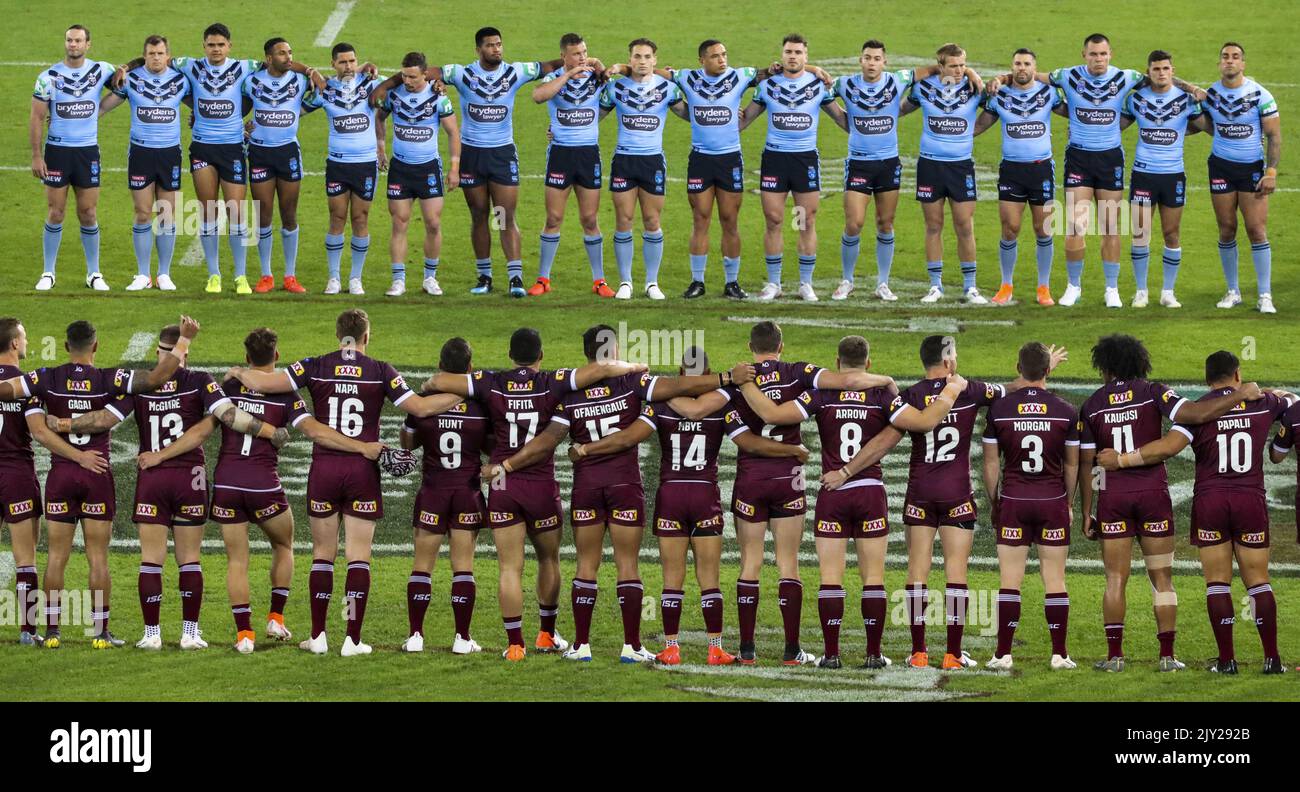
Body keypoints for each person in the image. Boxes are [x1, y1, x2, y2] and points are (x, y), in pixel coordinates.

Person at [225, 309, 465, 656]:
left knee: (322, 555)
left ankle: (319, 636)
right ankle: (352, 638)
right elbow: (421, 408)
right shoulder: (381, 370)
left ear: (339, 335)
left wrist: (239, 372)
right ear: (367, 336)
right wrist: (465, 392)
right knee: (358, 557)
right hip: (362, 473)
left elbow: (262, 383)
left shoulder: (316, 365)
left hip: (324, 470)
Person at [134, 327, 381, 653]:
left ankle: (244, 635)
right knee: (284, 543)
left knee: (238, 560)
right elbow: (307, 428)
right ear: (276, 357)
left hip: (226, 484)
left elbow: (204, 430)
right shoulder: (285, 393)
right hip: (265, 486)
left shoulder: (227, 387)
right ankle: (276, 617)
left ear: (246, 357)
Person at [49, 325, 287, 651]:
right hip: (190, 477)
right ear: (183, 353)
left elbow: (103, 420)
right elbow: (230, 416)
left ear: (158, 353)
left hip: (152, 477)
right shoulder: (200, 380)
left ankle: (152, 634)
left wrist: (64, 424)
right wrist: (271, 431)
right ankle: (190, 633)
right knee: (189, 559)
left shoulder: (143, 384)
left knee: (151, 560)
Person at [419, 328, 647, 661]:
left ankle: (514, 645)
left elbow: (441, 381)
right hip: (540, 482)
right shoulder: (552, 382)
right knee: (548, 560)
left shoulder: (491, 382)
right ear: (541, 356)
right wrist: (634, 366)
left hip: (501, 482)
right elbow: (600, 369)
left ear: (510, 355)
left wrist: (429, 385)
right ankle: (546, 633)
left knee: (509, 568)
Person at [744, 336, 967, 669]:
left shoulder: (820, 395)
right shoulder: (883, 396)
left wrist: (745, 384)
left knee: (830, 578)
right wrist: (950, 390)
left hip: (832, 493)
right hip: (869, 491)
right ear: (870, 362)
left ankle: (831, 655)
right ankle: (873, 654)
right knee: (873, 578)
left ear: (836, 362)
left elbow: (774, 414)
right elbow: (923, 423)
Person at [0, 316, 200, 648]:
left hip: (61, 475)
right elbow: (155, 379)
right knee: (98, 557)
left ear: (66, 346)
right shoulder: (111, 379)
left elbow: (7, 391)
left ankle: (51, 633)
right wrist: (184, 342)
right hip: (96, 474)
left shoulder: (45, 378)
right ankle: (101, 633)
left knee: (55, 558)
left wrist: (60, 423)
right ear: (96, 346)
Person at [1100, 351, 1292, 674]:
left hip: (1212, 501)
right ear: (1238, 374)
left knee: (1217, 583)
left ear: (1207, 379)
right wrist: (1281, 443)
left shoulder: (1199, 410)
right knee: (1258, 580)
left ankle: (1227, 661)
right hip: (1250, 500)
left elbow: (1166, 448)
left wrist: (1120, 460)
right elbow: (1294, 404)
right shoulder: (1265, 402)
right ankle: (1272, 659)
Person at [0, 317, 107, 645]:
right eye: (26, 337)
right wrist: (78, 456)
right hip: (16, 473)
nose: (28, 343)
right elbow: (39, 432)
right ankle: (29, 632)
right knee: (25, 559)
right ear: (15, 344)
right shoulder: (26, 383)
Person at [981, 342, 1080, 671]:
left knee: (1010, 580)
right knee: (1055, 579)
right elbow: (1071, 466)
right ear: (1049, 370)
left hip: (1014, 501)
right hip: (1051, 501)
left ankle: (1003, 654)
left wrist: (995, 501)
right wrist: (1068, 502)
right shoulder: (1066, 411)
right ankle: (1060, 654)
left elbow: (991, 464)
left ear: (1016, 367)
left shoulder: (1000, 409)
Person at [740, 34, 846, 302]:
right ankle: (774, 283)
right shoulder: (768, 86)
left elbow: (842, 119)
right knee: (774, 220)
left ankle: (805, 283)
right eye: (788, 51)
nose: (792, 56)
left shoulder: (818, 85)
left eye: (798, 52)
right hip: (775, 161)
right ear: (782, 54)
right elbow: (744, 121)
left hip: (804, 162)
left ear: (806, 57)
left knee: (804, 221)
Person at [31, 24, 118, 292]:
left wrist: (98, 111)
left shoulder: (101, 70)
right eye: (69, 40)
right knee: (55, 213)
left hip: (87, 150)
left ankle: (94, 273)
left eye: (78, 40)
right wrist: (36, 156)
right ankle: (48, 272)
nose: (73, 45)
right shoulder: (48, 77)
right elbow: (36, 117)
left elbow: (125, 85)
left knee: (88, 212)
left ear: (88, 44)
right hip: (57, 152)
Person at [526, 33, 611, 297]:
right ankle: (543, 279)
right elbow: (538, 96)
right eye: (576, 54)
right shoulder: (554, 79)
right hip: (560, 155)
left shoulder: (596, 77)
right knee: (553, 218)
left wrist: (597, 66)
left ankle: (599, 281)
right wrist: (567, 75)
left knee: (589, 219)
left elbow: (612, 95)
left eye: (585, 52)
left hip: (588, 155)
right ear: (564, 55)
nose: (582, 57)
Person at [102, 35, 188, 292]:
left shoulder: (181, 80)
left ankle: (164, 274)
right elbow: (103, 107)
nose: (156, 58)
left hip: (170, 153)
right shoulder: (132, 79)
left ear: (167, 55)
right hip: (141, 153)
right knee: (142, 213)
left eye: (160, 53)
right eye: (151, 53)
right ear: (145, 55)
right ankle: (142, 274)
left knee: (167, 214)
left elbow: (203, 104)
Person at [974, 48, 1060, 306]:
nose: (1022, 68)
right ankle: (1006, 285)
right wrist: (954, 138)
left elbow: (1074, 112)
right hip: (1012, 170)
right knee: (1010, 229)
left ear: (1035, 67)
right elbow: (980, 124)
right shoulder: (1000, 96)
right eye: (1017, 64)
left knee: (1042, 229)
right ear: (1012, 67)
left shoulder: (1050, 93)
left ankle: (1043, 287)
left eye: (1026, 64)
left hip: (1041, 168)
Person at [602, 39, 686, 300]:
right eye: (637, 56)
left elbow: (688, 114)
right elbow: (594, 116)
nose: (641, 61)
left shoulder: (668, 89)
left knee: (652, 221)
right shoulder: (615, 88)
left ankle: (652, 282)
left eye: (646, 56)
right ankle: (626, 281)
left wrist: (724, 112)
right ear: (630, 59)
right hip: (624, 161)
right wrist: (557, 128)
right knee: (624, 220)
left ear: (654, 60)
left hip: (652, 162)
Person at [1203, 42, 1282, 314]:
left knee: (1256, 230)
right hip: (1220, 167)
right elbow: (1207, 124)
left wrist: (1270, 172)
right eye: (1225, 56)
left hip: (1251, 170)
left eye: (1235, 57)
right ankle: (1233, 291)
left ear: (1243, 64)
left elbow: (1274, 136)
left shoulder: (1260, 94)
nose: (1230, 61)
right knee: (1226, 228)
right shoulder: (1211, 94)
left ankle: (1264, 295)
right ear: (1219, 63)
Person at [376, 51, 460, 297]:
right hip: (400, 168)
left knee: (433, 223)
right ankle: (398, 280)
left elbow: (453, 133)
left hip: (428, 168)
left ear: (426, 74)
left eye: (413, 77)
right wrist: (381, 148)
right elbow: (379, 118)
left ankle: (430, 277)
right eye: (404, 76)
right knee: (399, 223)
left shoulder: (439, 98)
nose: (407, 81)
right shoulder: (394, 95)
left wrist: (454, 168)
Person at [244, 37, 323, 294]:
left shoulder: (300, 80)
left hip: (288, 151)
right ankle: (266, 275)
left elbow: (321, 95)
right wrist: (242, 127)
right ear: (269, 58)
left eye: (290, 52)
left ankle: (290, 276)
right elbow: (236, 105)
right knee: (264, 214)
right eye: (282, 53)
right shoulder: (252, 81)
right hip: (259, 152)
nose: (288, 57)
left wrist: (299, 112)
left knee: (289, 214)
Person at [305, 43, 383, 296]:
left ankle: (356, 278)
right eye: (343, 62)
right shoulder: (324, 91)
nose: (348, 66)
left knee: (361, 219)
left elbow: (401, 83)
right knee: (337, 218)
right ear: (333, 64)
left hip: (365, 164)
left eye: (352, 61)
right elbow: (294, 110)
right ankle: (334, 278)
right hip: (338, 164)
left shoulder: (371, 84)